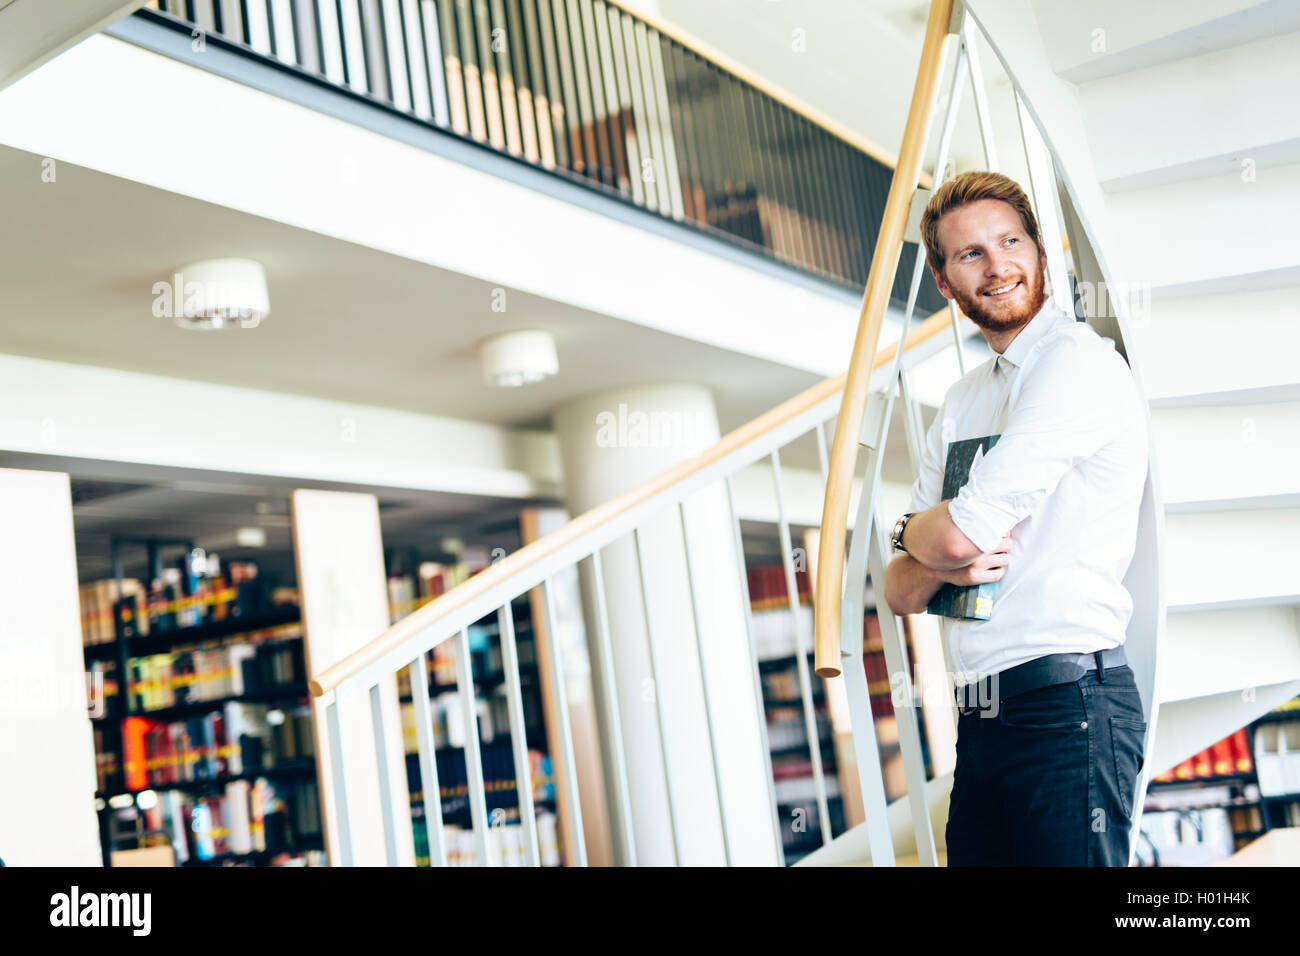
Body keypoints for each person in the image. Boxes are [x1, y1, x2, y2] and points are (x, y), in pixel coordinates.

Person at [882, 170, 1150, 866]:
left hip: (1067, 706)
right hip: (980, 716)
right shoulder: (964, 401)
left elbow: (954, 537)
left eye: (1009, 242)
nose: (997, 265)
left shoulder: (1074, 366)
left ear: (1038, 250)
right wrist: (918, 542)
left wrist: (923, 536)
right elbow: (900, 591)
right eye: (970, 253)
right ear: (944, 282)